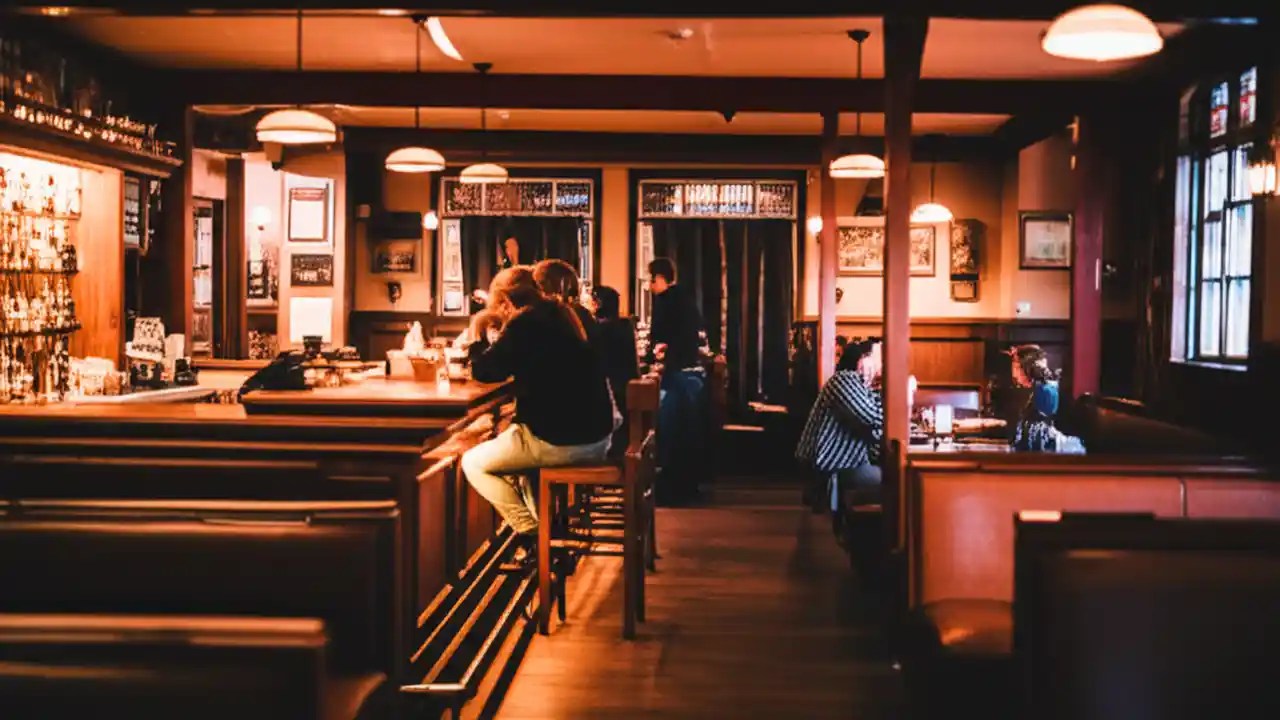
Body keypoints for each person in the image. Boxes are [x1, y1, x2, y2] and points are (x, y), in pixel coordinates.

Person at [460, 266, 615, 568]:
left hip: (561, 439)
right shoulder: (566, 314)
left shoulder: (525, 323)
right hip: (597, 436)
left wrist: (479, 330)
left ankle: (531, 535)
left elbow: (484, 370)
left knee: (473, 463)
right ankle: (550, 538)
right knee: (523, 462)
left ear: (506, 302)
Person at [795, 340, 917, 527]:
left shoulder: (863, 387)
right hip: (833, 467)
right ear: (862, 360)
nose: (883, 364)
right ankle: (886, 543)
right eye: (879, 357)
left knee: (899, 477)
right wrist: (903, 393)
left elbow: (877, 434)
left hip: (849, 463)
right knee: (897, 480)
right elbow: (875, 417)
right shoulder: (843, 380)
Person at [647, 257, 707, 505]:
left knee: (670, 432)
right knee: (687, 431)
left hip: (676, 372)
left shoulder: (666, 301)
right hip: (692, 373)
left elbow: (659, 340)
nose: (650, 286)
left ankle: (671, 488)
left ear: (660, 278)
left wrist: (659, 353)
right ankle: (688, 487)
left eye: (651, 280)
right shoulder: (688, 299)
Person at [590, 286, 640, 455]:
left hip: (612, 407)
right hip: (625, 398)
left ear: (597, 304)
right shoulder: (625, 326)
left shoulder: (598, 331)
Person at [1007, 344, 1084, 453]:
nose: (1015, 375)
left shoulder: (1046, 390)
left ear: (1028, 367)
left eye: (1016, 368)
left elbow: (1040, 434)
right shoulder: (1041, 388)